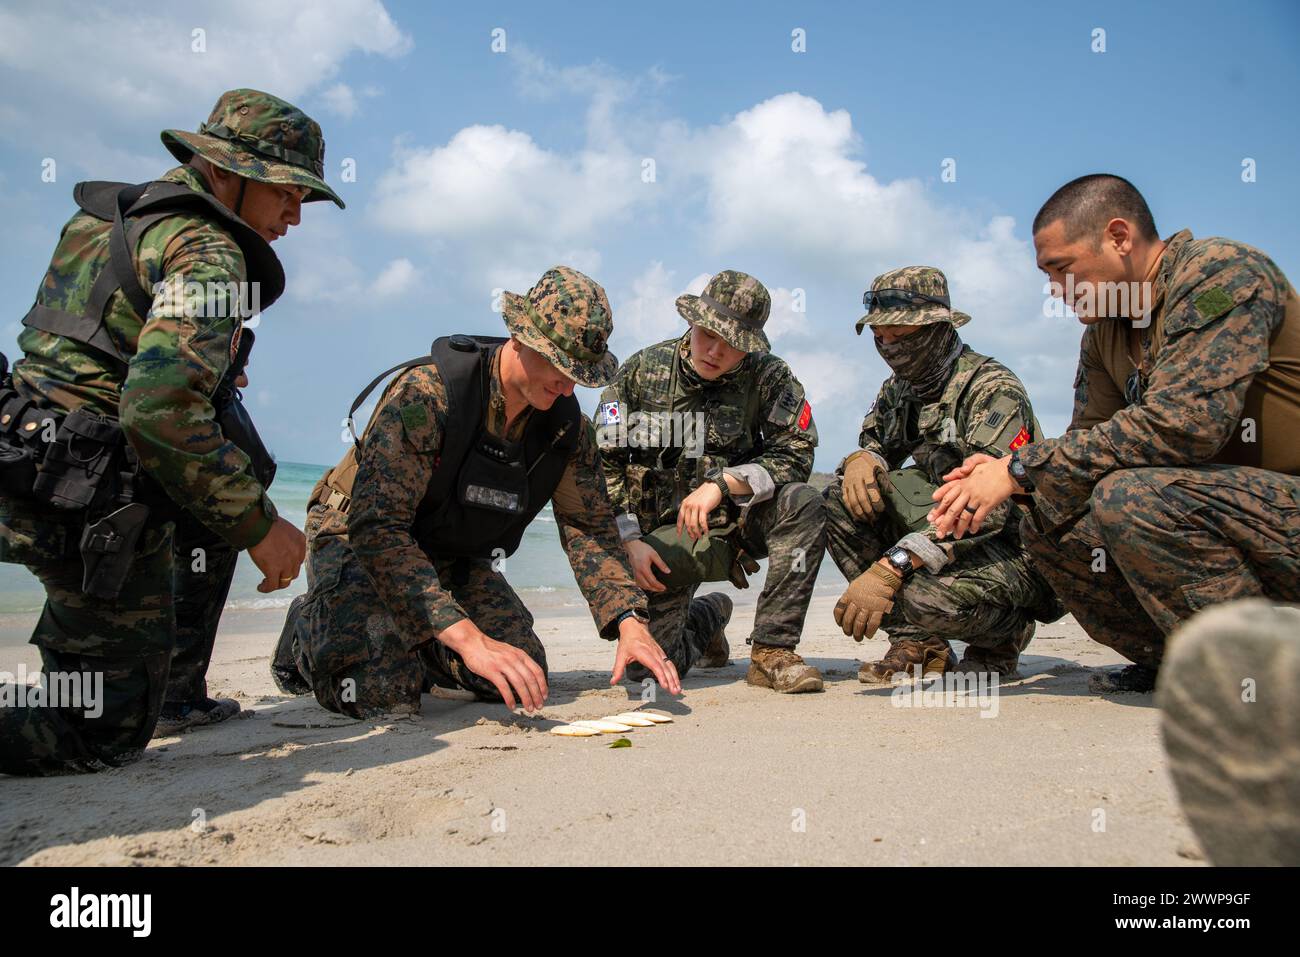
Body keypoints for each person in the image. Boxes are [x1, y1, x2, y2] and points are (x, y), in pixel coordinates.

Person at [0, 89, 339, 774]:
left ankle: (176, 690)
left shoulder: (111, 215)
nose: (294, 217)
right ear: (225, 173)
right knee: (97, 732)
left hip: (21, 447)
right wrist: (261, 527)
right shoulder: (211, 254)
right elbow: (159, 411)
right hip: (81, 500)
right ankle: (146, 693)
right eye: (284, 192)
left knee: (237, 465)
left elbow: (91, 354)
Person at [930, 174, 1300, 693]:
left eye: (1063, 269)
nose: (1057, 290)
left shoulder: (1219, 274)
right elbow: (1085, 450)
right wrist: (1008, 480)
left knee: (1130, 496)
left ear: (1119, 237)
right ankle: (1174, 657)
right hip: (1226, 512)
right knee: (1045, 509)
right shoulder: (1105, 330)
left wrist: (1018, 469)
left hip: (1282, 509)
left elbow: (1184, 426)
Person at [274, 267, 678, 716]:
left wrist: (629, 621)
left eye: (580, 374)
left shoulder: (567, 431)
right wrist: (465, 636)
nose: (569, 385)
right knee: (380, 693)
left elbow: (590, 528)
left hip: (450, 551)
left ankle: (414, 640)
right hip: (358, 537)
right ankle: (309, 627)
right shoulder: (427, 396)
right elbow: (378, 528)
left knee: (520, 675)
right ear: (520, 339)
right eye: (560, 365)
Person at [825, 266, 1062, 682]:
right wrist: (864, 458)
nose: (889, 348)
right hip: (947, 533)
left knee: (923, 598)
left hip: (1016, 547)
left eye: (902, 338)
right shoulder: (899, 390)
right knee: (834, 496)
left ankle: (1001, 637)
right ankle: (918, 643)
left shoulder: (992, 389)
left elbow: (989, 505)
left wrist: (893, 564)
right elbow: (878, 442)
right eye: (881, 338)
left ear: (939, 330)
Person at [596, 270, 825, 694]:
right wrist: (628, 538)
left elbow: (797, 450)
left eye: (733, 343)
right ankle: (707, 616)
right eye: (708, 335)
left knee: (803, 501)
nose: (716, 351)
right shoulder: (641, 372)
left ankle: (772, 652)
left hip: (736, 525)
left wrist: (724, 483)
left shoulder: (770, 378)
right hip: (661, 542)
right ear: (691, 323)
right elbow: (603, 462)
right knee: (648, 674)